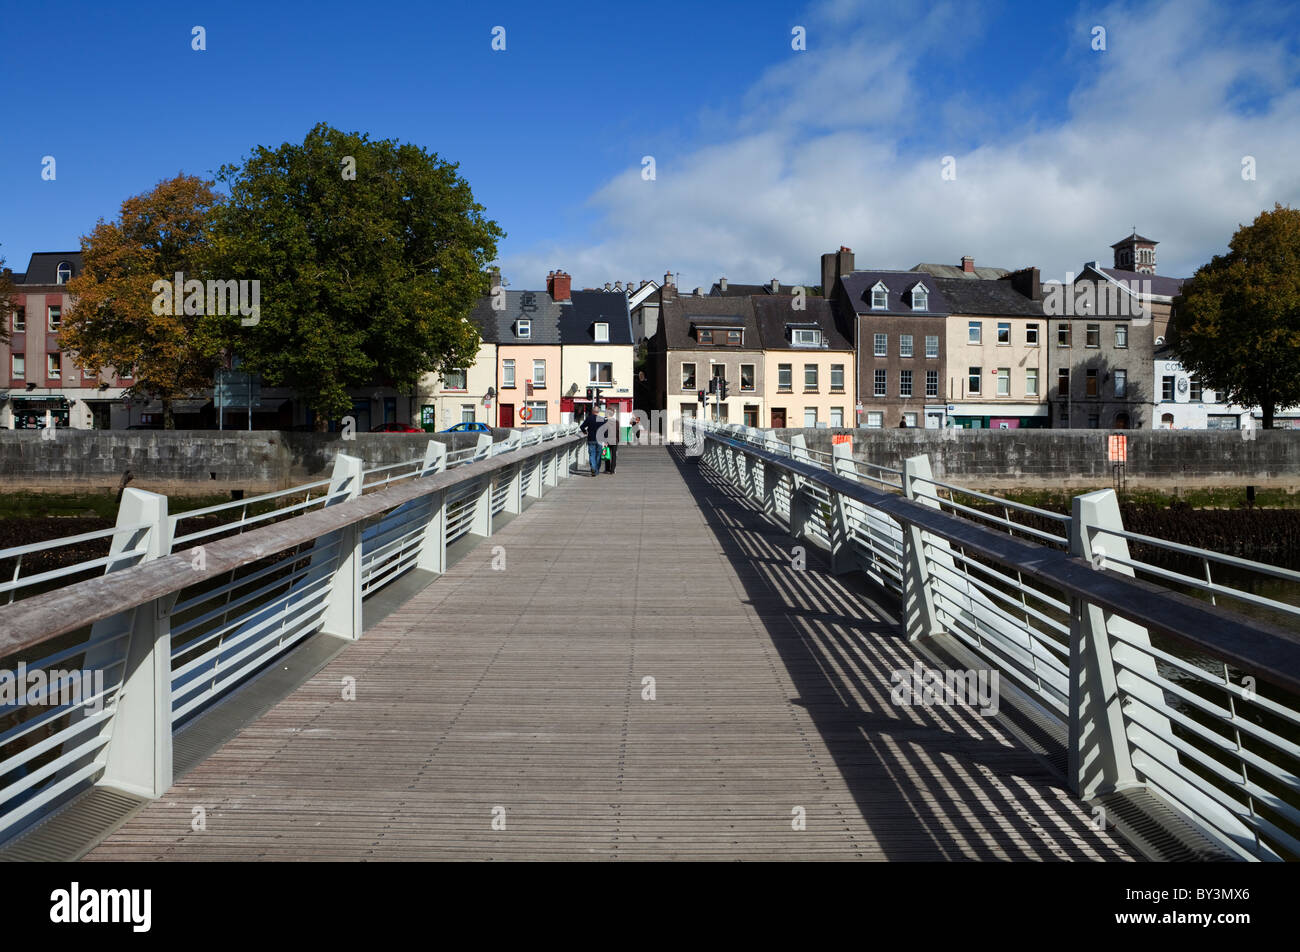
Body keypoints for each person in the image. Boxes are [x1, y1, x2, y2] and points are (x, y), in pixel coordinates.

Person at [580, 407, 602, 476]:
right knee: (598, 455)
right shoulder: (601, 419)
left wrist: (585, 432)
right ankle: (596, 470)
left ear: (592, 411)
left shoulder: (589, 418)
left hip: (591, 439)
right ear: (598, 412)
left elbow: (582, 426)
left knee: (592, 454)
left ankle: (593, 467)